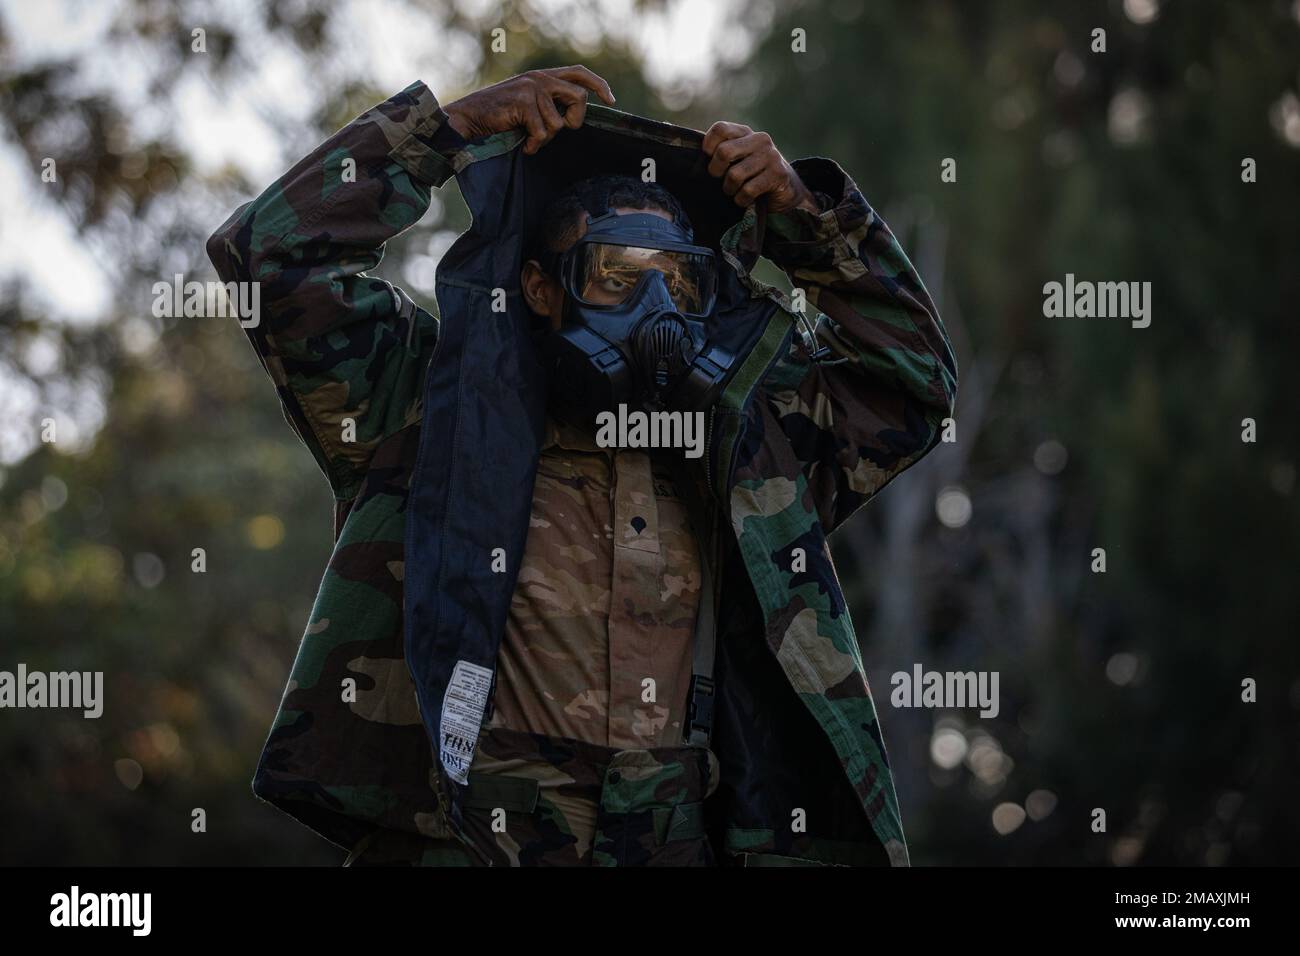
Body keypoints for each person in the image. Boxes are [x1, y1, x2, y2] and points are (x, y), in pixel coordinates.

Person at [207, 65, 957, 867]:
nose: (656, 309)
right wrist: (446, 129)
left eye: (678, 281)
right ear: (538, 286)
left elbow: (911, 384)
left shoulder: (748, 450)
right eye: (617, 277)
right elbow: (272, 256)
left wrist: (802, 217)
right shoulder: (426, 410)